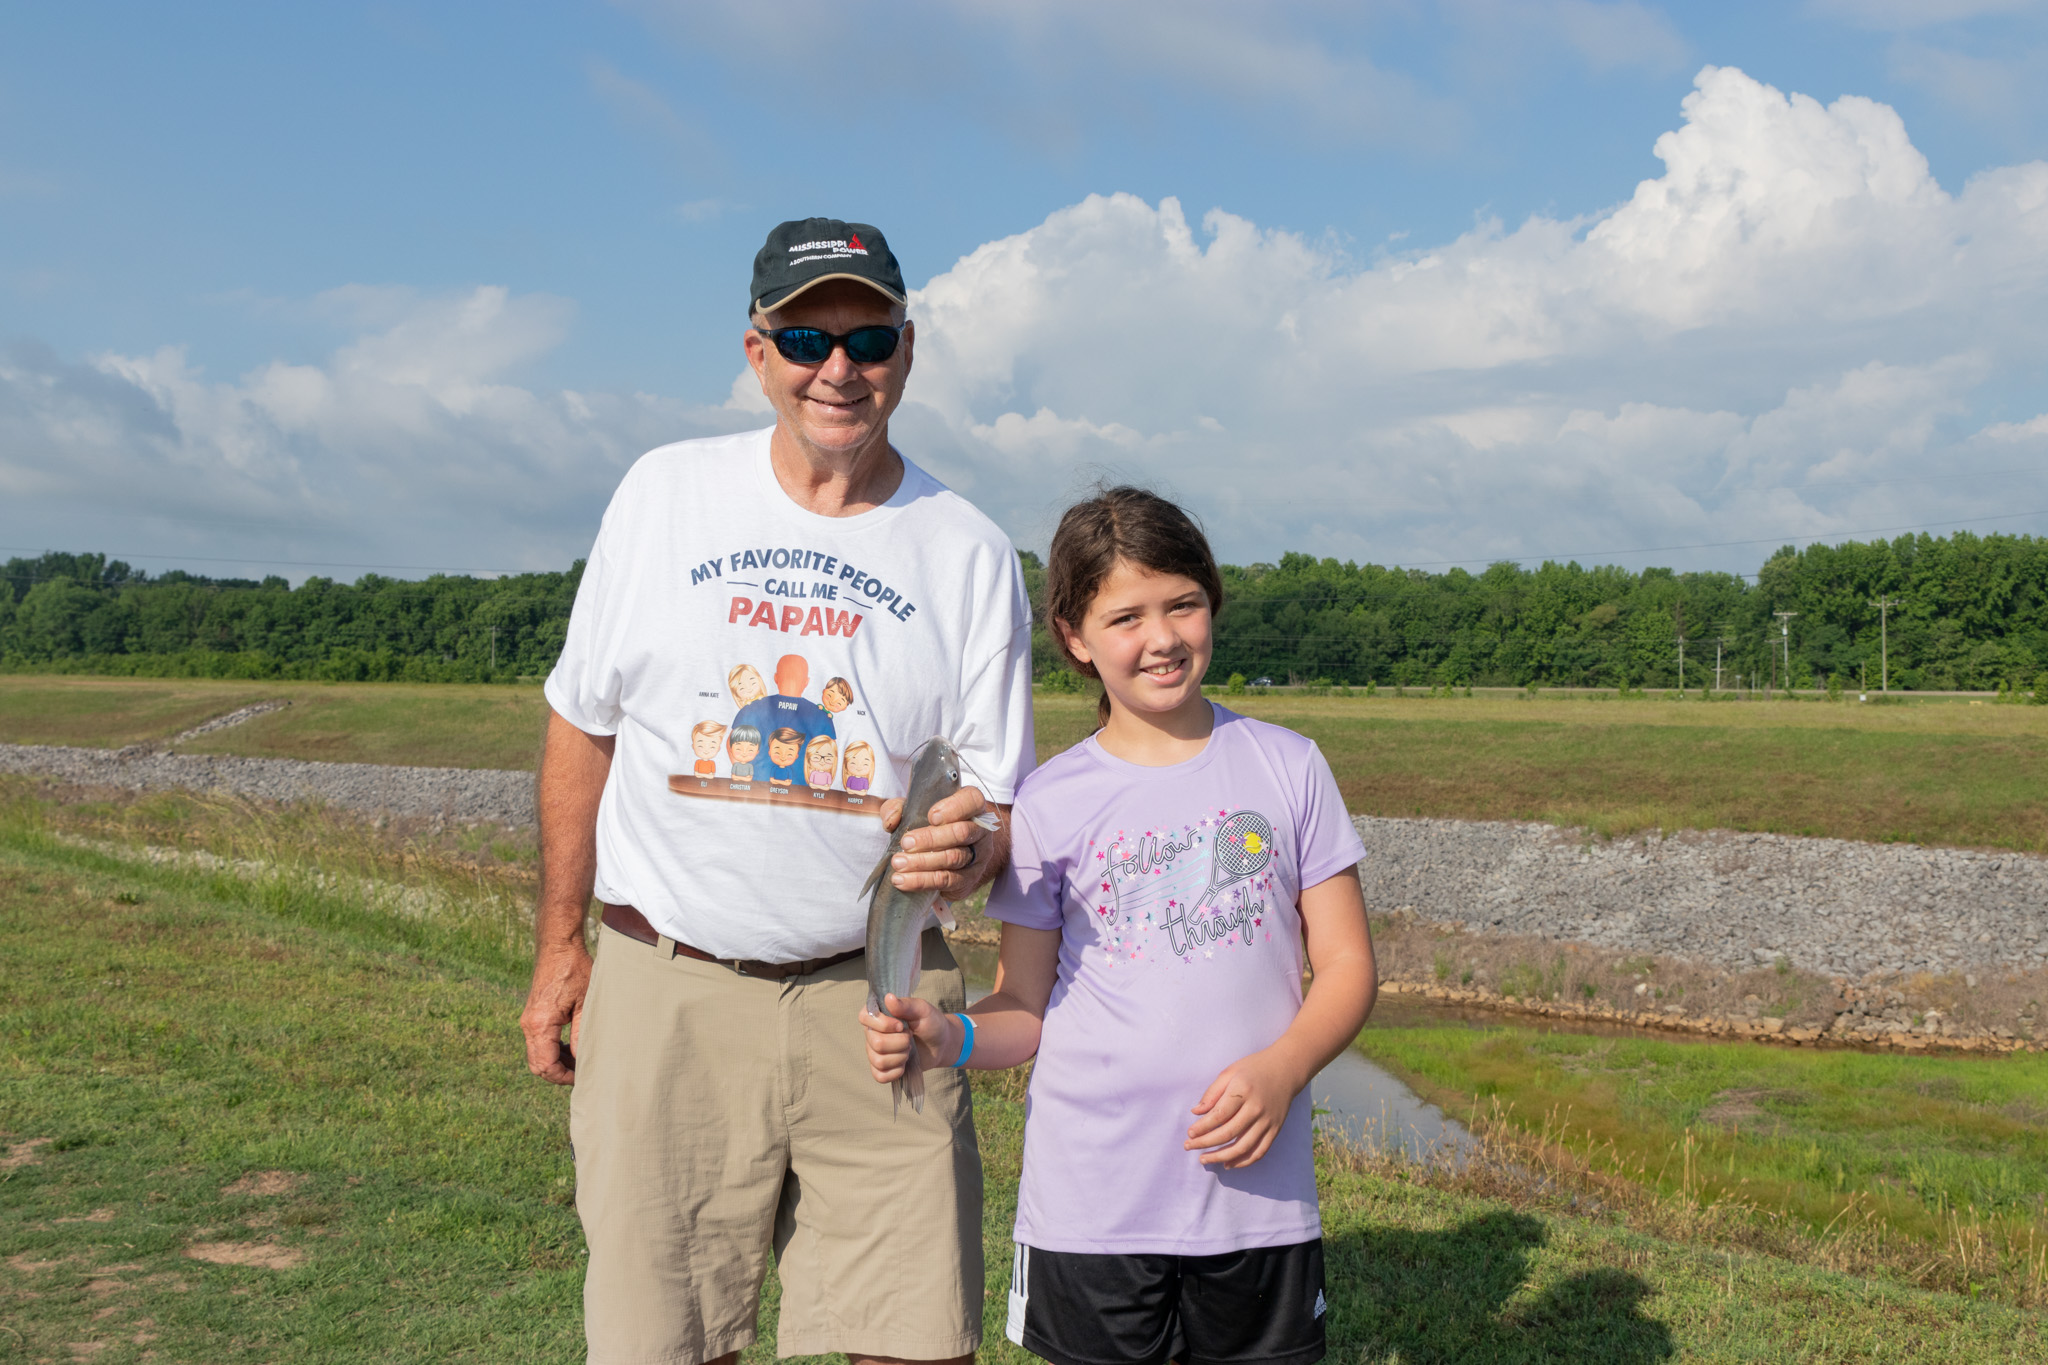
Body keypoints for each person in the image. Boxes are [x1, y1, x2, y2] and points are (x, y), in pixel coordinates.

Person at [521, 216, 1036, 1365]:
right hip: (673, 987)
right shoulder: (663, 495)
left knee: (912, 1343)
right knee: (665, 1339)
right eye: (806, 337)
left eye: (868, 337)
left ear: (908, 350)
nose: (837, 368)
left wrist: (971, 849)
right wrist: (562, 947)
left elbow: (995, 801)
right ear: (757, 351)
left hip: (883, 1002)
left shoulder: (965, 549)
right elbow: (581, 726)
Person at [861, 487, 1376, 1365]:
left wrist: (1284, 1068)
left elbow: (1348, 965)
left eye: (1183, 602)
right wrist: (948, 1033)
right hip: (1089, 1209)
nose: (1163, 636)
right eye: (1126, 615)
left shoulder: (1288, 765)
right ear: (1074, 636)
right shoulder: (1052, 800)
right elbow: (1025, 1003)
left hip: (1260, 1204)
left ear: (1212, 600)